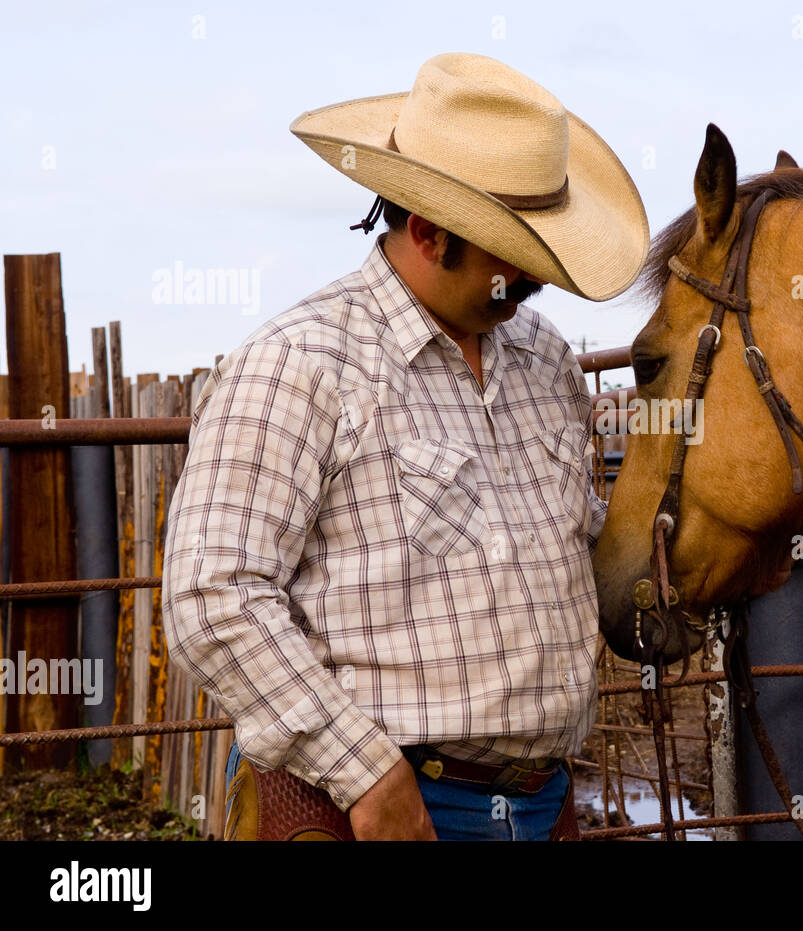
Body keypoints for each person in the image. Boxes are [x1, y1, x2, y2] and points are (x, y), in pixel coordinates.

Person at [160, 52, 649, 840]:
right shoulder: (302, 361)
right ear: (427, 230)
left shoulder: (548, 361)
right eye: (513, 257)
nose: (534, 280)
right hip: (366, 804)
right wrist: (367, 773)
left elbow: (558, 539)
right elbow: (212, 595)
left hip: (537, 801)